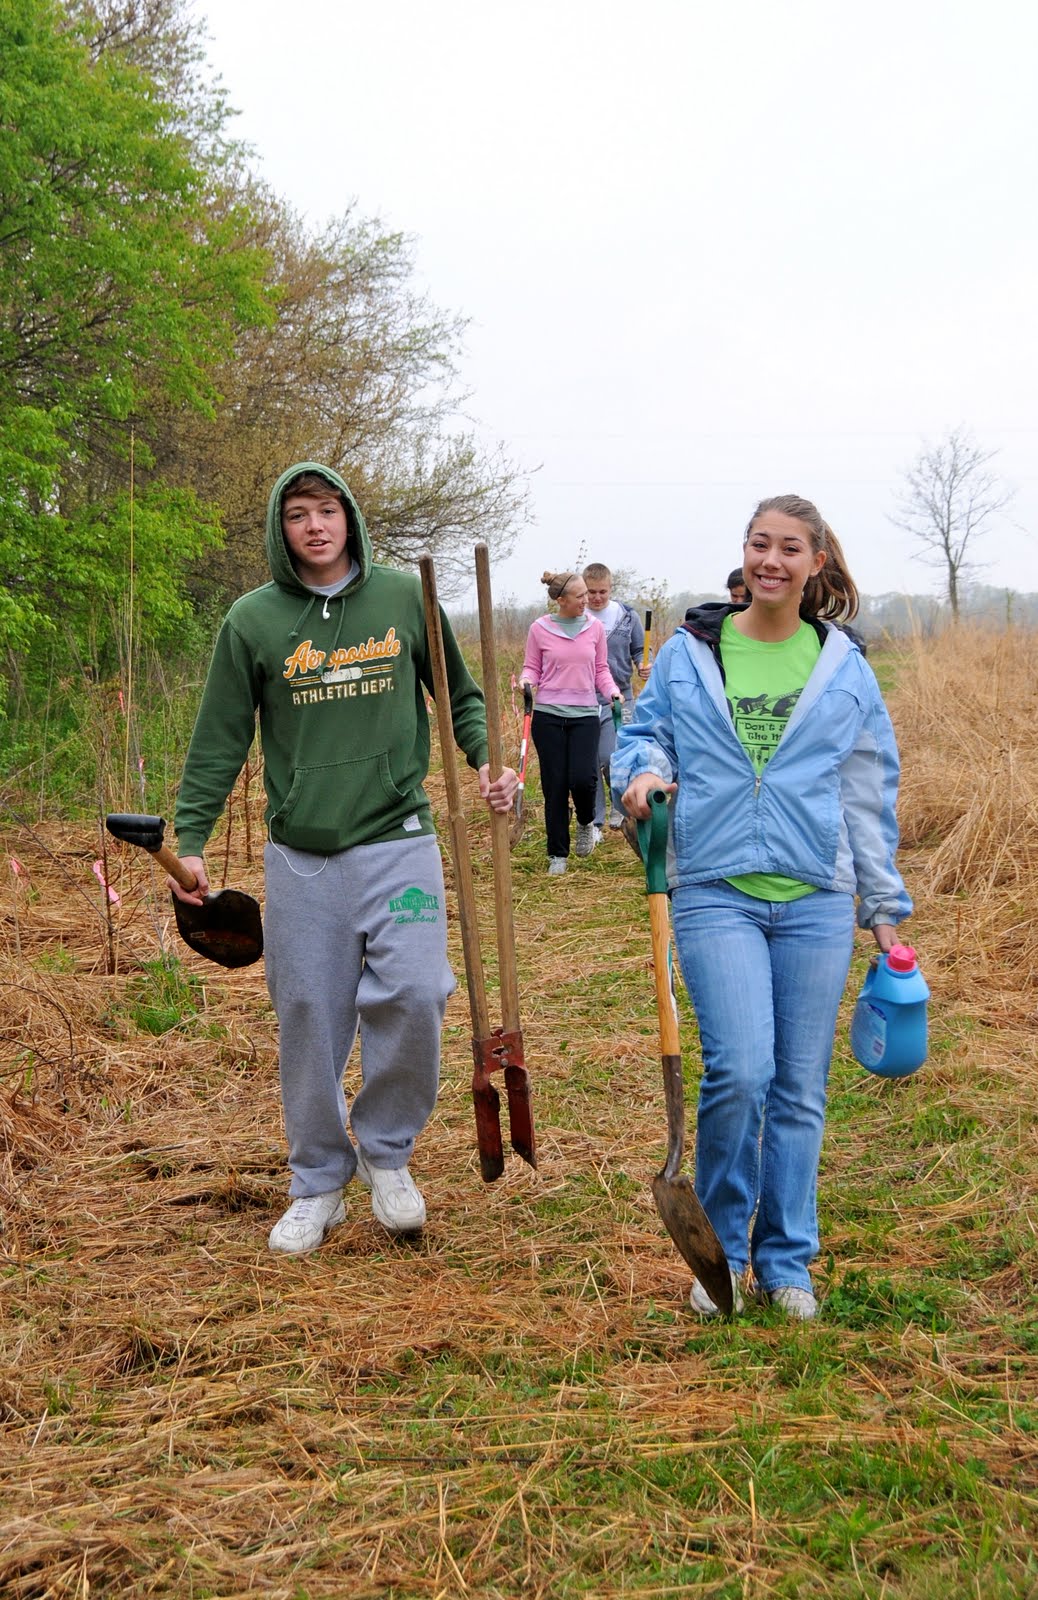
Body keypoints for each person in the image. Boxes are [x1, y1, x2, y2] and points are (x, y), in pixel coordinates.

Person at [169, 463, 516, 1255]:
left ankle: (387, 1154)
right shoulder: (252, 621)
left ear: (350, 518)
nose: (316, 525)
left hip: (399, 838)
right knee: (309, 1019)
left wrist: (484, 760)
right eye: (298, 514)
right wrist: (190, 837)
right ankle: (319, 1179)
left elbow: (460, 695)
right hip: (303, 858)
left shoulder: (403, 598)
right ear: (280, 528)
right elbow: (220, 737)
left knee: (420, 991)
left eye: (328, 510)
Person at [613, 493, 910, 1320]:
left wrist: (882, 904)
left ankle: (786, 1263)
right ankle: (722, 1251)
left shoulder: (843, 665)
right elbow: (644, 735)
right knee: (741, 1071)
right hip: (713, 886)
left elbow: (866, 790)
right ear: (743, 558)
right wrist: (638, 775)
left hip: (817, 890)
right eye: (758, 545)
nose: (770, 560)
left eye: (789, 548)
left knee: (800, 1088)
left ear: (817, 563)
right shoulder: (690, 652)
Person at [521, 570, 620, 875]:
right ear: (561, 600)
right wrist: (526, 681)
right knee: (555, 785)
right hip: (549, 715)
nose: (586, 601)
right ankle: (557, 855)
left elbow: (601, 669)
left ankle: (585, 821)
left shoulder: (594, 629)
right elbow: (532, 668)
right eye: (579, 597)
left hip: (585, 716)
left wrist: (612, 691)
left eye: (587, 595)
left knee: (582, 778)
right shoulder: (540, 629)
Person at [583, 563, 647, 831]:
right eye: (591, 592)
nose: (597, 597)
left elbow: (640, 650)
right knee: (590, 762)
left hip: (620, 696)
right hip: (585, 699)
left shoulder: (627, 616)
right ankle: (595, 820)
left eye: (602, 592)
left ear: (611, 589)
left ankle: (620, 807)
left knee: (613, 756)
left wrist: (644, 663)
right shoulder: (578, 617)